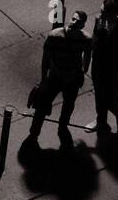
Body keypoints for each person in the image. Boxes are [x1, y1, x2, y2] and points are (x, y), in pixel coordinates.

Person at [26, 10, 91, 149]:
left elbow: (87, 58)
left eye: (78, 21)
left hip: (66, 78)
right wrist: (43, 79)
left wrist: (83, 71)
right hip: (58, 77)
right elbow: (45, 59)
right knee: (42, 106)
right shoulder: (55, 35)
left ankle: (59, 127)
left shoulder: (84, 39)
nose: (74, 22)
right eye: (73, 19)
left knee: (67, 105)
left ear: (82, 25)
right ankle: (35, 132)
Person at [86, 0, 118, 142]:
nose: (100, 11)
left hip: (112, 69)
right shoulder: (99, 20)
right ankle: (101, 121)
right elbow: (94, 39)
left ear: (113, 13)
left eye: (103, 10)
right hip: (98, 66)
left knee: (112, 99)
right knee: (99, 96)